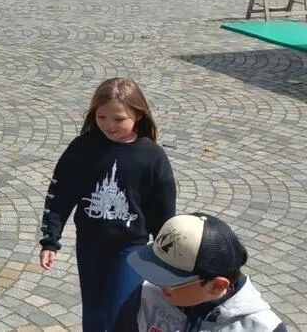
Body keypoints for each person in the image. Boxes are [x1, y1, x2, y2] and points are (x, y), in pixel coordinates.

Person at [39, 77, 177, 332]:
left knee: (121, 314)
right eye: (101, 117)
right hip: (90, 246)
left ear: (137, 115)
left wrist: (167, 259)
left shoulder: (152, 156)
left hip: (130, 248)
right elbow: (60, 193)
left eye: (118, 119)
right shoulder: (82, 148)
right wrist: (50, 239)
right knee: (94, 313)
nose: (108, 125)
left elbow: (163, 211)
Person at [112, 213, 288, 332]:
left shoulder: (262, 328)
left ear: (217, 285)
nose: (157, 284)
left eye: (170, 280)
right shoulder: (146, 296)